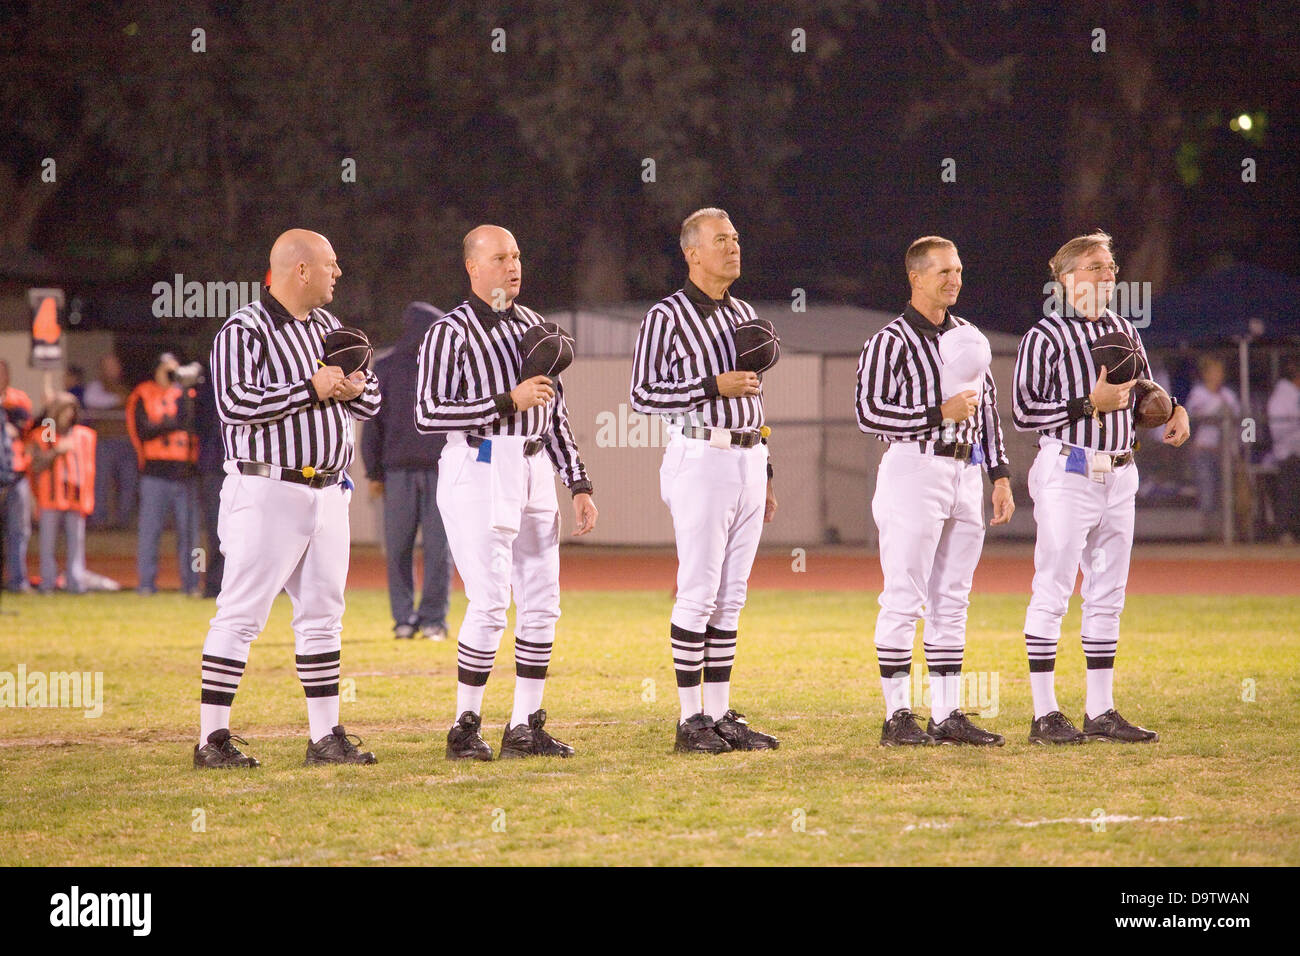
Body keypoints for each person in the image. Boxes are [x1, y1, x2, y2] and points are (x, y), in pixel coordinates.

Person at [194, 228, 381, 769]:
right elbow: (233, 404)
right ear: (301, 270)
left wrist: (355, 389)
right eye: (330, 263)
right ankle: (213, 739)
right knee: (240, 614)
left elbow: (372, 401)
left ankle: (325, 737)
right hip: (268, 486)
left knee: (323, 616)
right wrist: (312, 388)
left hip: (327, 491)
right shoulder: (243, 328)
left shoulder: (328, 327)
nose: (337, 273)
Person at [416, 224, 597, 761]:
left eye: (517, 255)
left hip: (535, 463)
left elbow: (554, 412)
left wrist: (579, 482)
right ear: (473, 267)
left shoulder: (537, 327)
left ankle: (524, 726)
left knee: (542, 603)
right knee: (492, 601)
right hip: (480, 461)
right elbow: (428, 413)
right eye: (500, 257)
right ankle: (464, 726)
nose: (513, 266)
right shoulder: (450, 332)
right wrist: (504, 401)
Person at [1012, 231, 1190, 744]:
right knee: (1053, 589)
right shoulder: (1044, 336)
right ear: (1068, 279)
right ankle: (1044, 714)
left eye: (1110, 266)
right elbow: (1024, 411)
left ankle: (1101, 710)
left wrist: (1172, 410)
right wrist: (1088, 406)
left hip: (1121, 470)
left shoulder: (1123, 329)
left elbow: (1145, 394)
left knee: (1108, 594)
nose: (1109, 274)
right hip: (1069, 468)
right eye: (1096, 266)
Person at [629, 207, 780, 755]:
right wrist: (711, 384)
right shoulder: (666, 316)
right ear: (692, 253)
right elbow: (643, 394)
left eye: (736, 237)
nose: (733, 247)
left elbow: (757, 398)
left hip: (744, 457)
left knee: (730, 597)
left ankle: (719, 714)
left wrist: (765, 468)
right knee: (697, 591)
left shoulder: (744, 312)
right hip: (700, 453)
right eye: (721, 240)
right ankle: (690, 720)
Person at [856, 236, 1014, 746]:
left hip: (966, 472)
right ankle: (897, 715)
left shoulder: (968, 335)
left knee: (953, 599)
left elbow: (987, 409)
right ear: (916, 277)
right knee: (905, 595)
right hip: (914, 469)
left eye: (959, 270)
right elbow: (869, 414)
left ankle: (946, 715)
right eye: (943, 271)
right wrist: (935, 415)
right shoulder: (891, 340)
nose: (954, 279)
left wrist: (1000, 474)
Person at [361, 301, 452, 640]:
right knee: (416, 549)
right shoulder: (386, 369)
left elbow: (371, 427)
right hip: (404, 472)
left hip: (434, 473)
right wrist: (374, 472)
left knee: (432, 549)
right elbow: (372, 424)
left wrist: (374, 473)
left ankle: (427, 619)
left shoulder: (445, 368)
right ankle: (416, 619)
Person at [126, 353, 200, 595]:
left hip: (185, 473)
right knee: (150, 532)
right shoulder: (143, 393)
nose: (172, 376)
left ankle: (191, 584)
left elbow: (193, 424)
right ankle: (146, 584)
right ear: (156, 370)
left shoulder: (186, 394)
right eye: (168, 371)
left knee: (191, 536)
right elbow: (144, 430)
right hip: (155, 473)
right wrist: (171, 424)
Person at [26, 392, 96, 594]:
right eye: (64, 409)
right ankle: (48, 582)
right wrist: (57, 451)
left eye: (71, 409)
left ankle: (75, 582)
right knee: (47, 544)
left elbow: (90, 468)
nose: (68, 414)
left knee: (76, 543)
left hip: (75, 495)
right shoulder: (47, 432)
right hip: (51, 496)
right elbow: (37, 464)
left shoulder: (83, 435)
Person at [1184, 357, 1240, 533]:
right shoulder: (1198, 393)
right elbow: (1195, 417)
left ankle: (1226, 533)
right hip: (1203, 450)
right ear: (1206, 374)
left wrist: (1244, 444)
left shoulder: (1228, 395)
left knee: (1225, 493)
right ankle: (1206, 534)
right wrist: (1218, 410)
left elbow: (1244, 420)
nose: (1218, 375)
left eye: (1220, 371)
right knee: (1207, 491)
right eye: (1214, 371)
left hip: (1225, 451)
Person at [84, 353, 137, 530]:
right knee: (101, 482)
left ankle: (124, 522)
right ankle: (98, 520)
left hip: (126, 442)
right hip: (104, 442)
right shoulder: (95, 387)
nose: (112, 369)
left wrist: (122, 401)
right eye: (108, 365)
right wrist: (119, 401)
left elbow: (132, 405)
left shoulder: (125, 388)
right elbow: (93, 401)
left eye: (114, 365)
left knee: (128, 482)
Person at [193, 363, 226, 597]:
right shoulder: (207, 391)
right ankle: (213, 584)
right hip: (214, 468)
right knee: (216, 532)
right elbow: (197, 424)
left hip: (246, 468)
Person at [0, 359, 34, 592]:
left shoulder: (19, 400)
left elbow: (35, 426)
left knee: (19, 531)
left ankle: (18, 580)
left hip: (17, 473)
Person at [1266, 359, 1300, 543]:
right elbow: (1277, 430)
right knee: (1289, 494)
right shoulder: (1282, 395)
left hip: (1296, 453)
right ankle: (1285, 531)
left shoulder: (1295, 394)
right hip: (1287, 454)